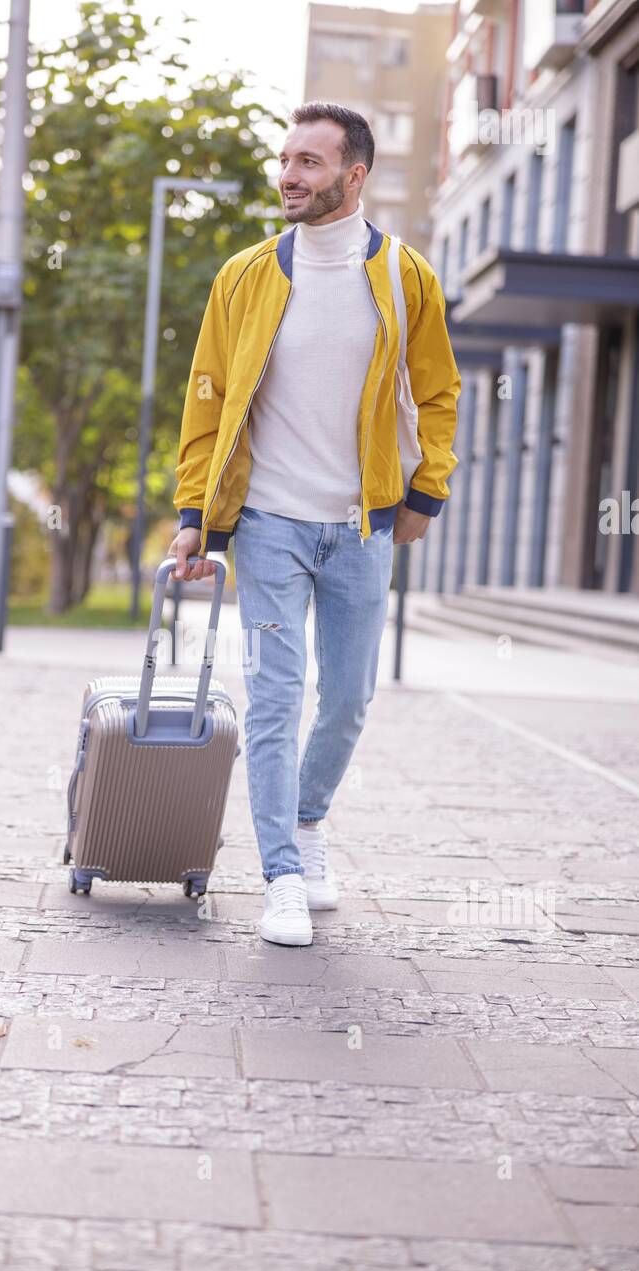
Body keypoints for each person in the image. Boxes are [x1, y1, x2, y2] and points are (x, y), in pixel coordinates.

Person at [168, 102, 460, 947]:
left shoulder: (407, 277)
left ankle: (305, 819)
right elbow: (207, 399)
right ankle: (282, 876)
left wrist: (424, 495)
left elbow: (438, 393)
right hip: (268, 525)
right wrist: (196, 517)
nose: (290, 176)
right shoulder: (247, 275)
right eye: (286, 159)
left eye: (309, 162)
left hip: (364, 528)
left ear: (353, 176)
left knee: (348, 701)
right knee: (275, 696)